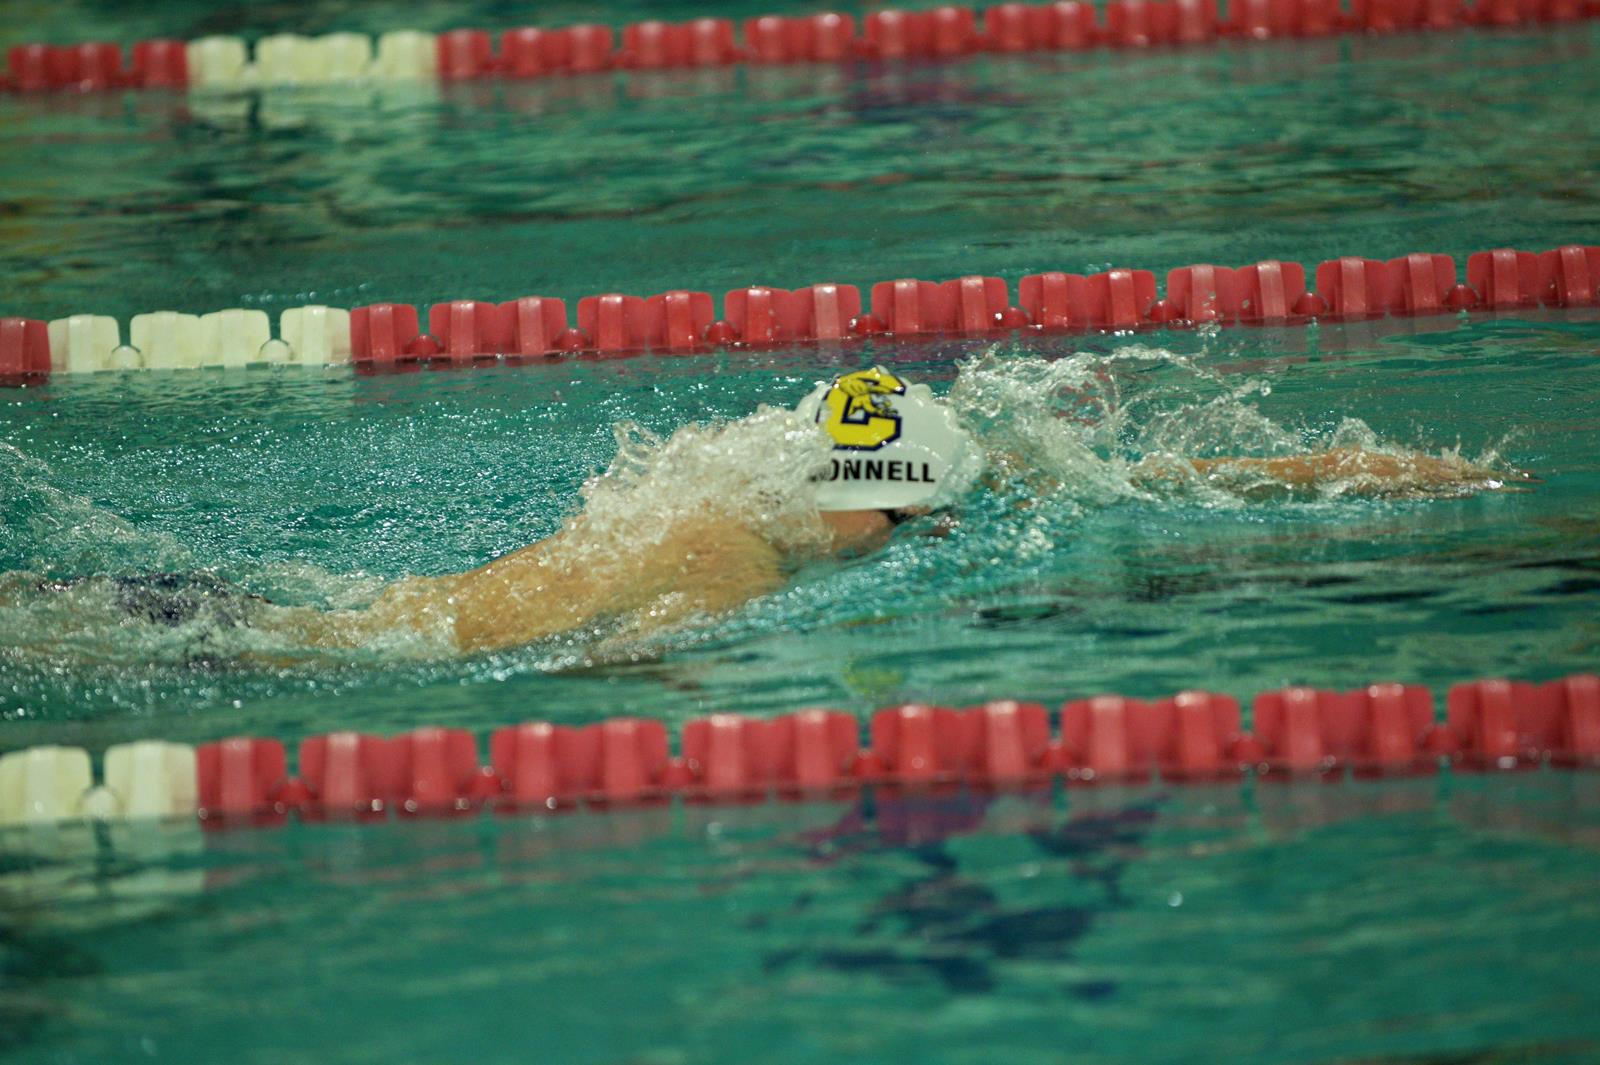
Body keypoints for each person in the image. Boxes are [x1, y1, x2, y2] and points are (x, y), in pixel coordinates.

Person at [10, 366, 1520, 659]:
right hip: (324, 642)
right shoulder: (726, 540)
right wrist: (668, 657)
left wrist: (1386, 472)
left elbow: (1174, 475)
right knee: (201, 629)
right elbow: (619, 661)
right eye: (906, 523)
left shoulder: (855, 473)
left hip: (322, 596)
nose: (916, 536)